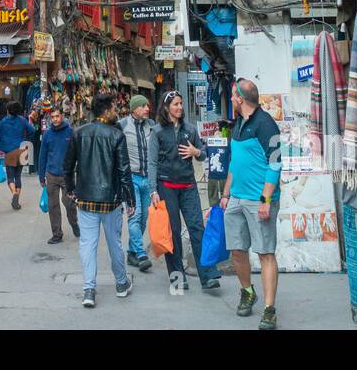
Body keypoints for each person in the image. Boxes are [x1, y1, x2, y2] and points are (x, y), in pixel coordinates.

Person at [220, 78, 282, 329]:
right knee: (237, 250)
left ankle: (269, 309)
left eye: (233, 96)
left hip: (259, 200)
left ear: (240, 99)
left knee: (265, 252)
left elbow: (276, 163)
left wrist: (266, 200)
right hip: (236, 199)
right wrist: (225, 194)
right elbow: (235, 163)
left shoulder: (266, 124)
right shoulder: (238, 124)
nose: (231, 100)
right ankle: (248, 291)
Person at [63, 93, 135, 308]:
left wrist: (71, 189)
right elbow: (124, 170)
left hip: (85, 200)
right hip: (110, 201)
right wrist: (130, 199)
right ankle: (121, 284)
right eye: (114, 108)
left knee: (87, 245)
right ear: (107, 110)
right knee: (114, 243)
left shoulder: (79, 133)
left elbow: (67, 166)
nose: (116, 112)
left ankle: (89, 289)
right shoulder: (116, 135)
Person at [151, 90, 220, 291]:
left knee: (197, 228)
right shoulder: (157, 132)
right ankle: (177, 277)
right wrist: (152, 191)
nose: (180, 107)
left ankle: (207, 276)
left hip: (188, 186)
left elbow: (204, 154)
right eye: (175, 104)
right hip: (166, 188)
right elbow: (152, 163)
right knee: (171, 233)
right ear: (166, 108)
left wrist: (195, 151)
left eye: (181, 104)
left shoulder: (190, 130)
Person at [117, 94, 157, 272]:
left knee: (143, 218)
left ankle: (132, 252)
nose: (147, 109)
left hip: (148, 179)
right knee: (135, 215)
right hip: (131, 178)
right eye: (143, 106)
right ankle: (141, 254)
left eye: (147, 106)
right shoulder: (122, 125)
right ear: (134, 109)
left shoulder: (152, 126)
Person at [37, 104, 79, 243]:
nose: (55, 119)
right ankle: (57, 234)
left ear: (62, 116)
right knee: (53, 206)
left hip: (67, 175)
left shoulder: (71, 132)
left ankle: (74, 223)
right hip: (51, 175)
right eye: (52, 117)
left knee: (69, 204)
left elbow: (78, 153)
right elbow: (42, 156)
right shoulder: (47, 134)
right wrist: (41, 175)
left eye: (57, 116)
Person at [0, 101, 34, 209]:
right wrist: (27, 141)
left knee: (10, 177)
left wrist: (2, 148)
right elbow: (32, 130)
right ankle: (17, 203)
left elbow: (1, 137)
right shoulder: (22, 120)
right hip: (22, 150)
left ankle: (14, 194)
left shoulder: (3, 121)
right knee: (18, 176)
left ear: (8, 110)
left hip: (10, 152)